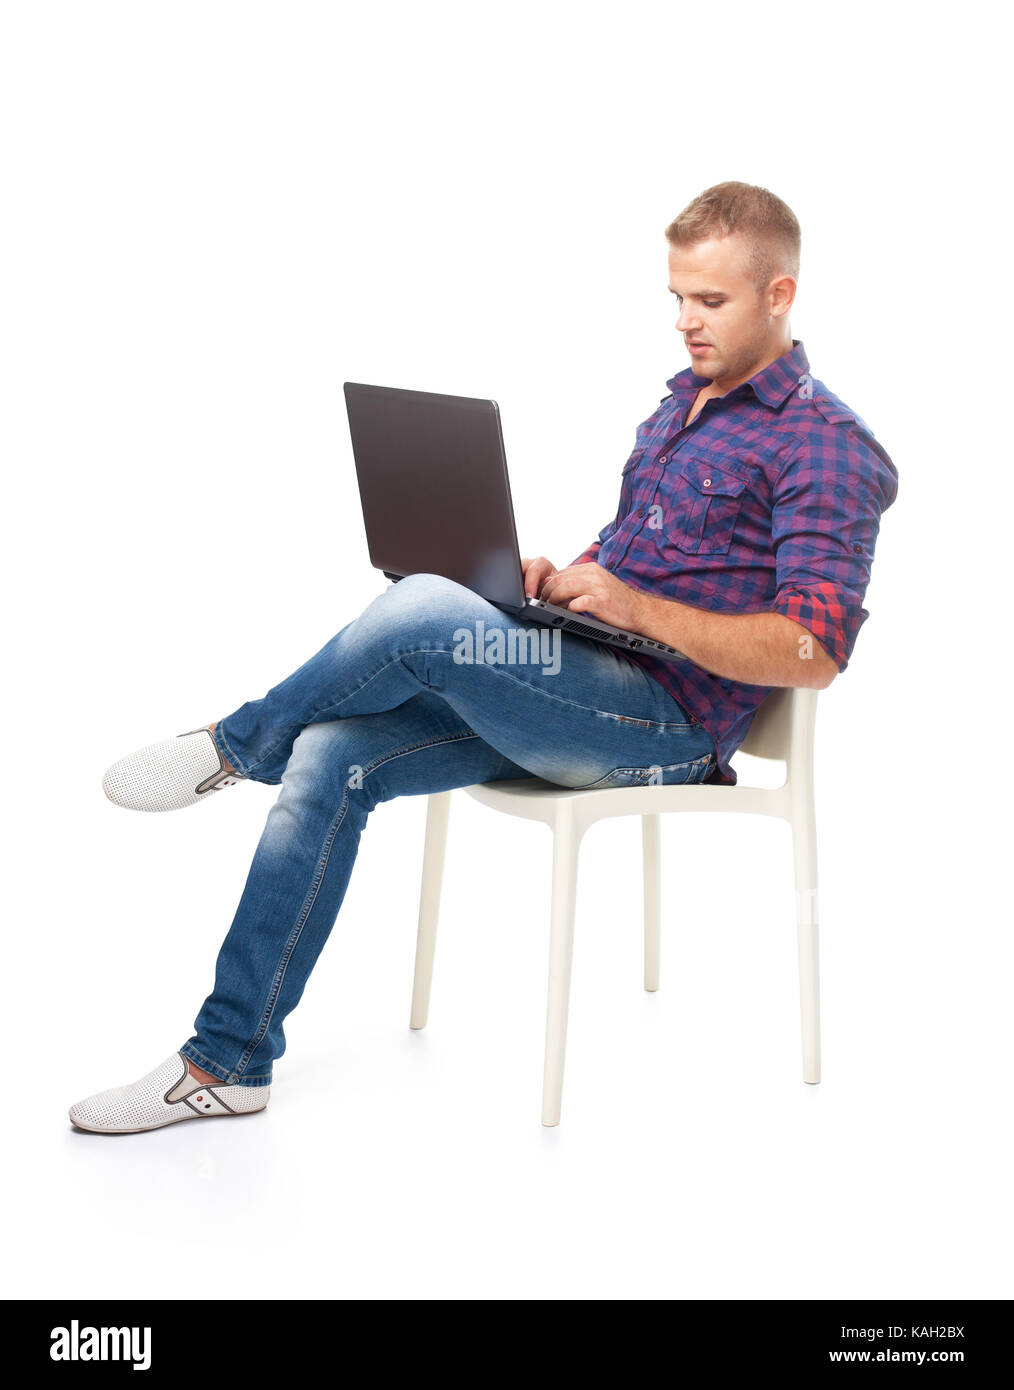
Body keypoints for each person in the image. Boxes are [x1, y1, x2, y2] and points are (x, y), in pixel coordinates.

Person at [69, 180, 899, 1134]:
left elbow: (813, 649)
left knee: (424, 606)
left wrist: (629, 606)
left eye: (709, 301)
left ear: (780, 294)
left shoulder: (828, 445)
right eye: (675, 297)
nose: (684, 321)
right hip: (577, 683)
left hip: (662, 729)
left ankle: (233, 746)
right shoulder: (681, 408)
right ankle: (228, 1062)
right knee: (332, 753)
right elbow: (637, 559)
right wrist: (557, 580)